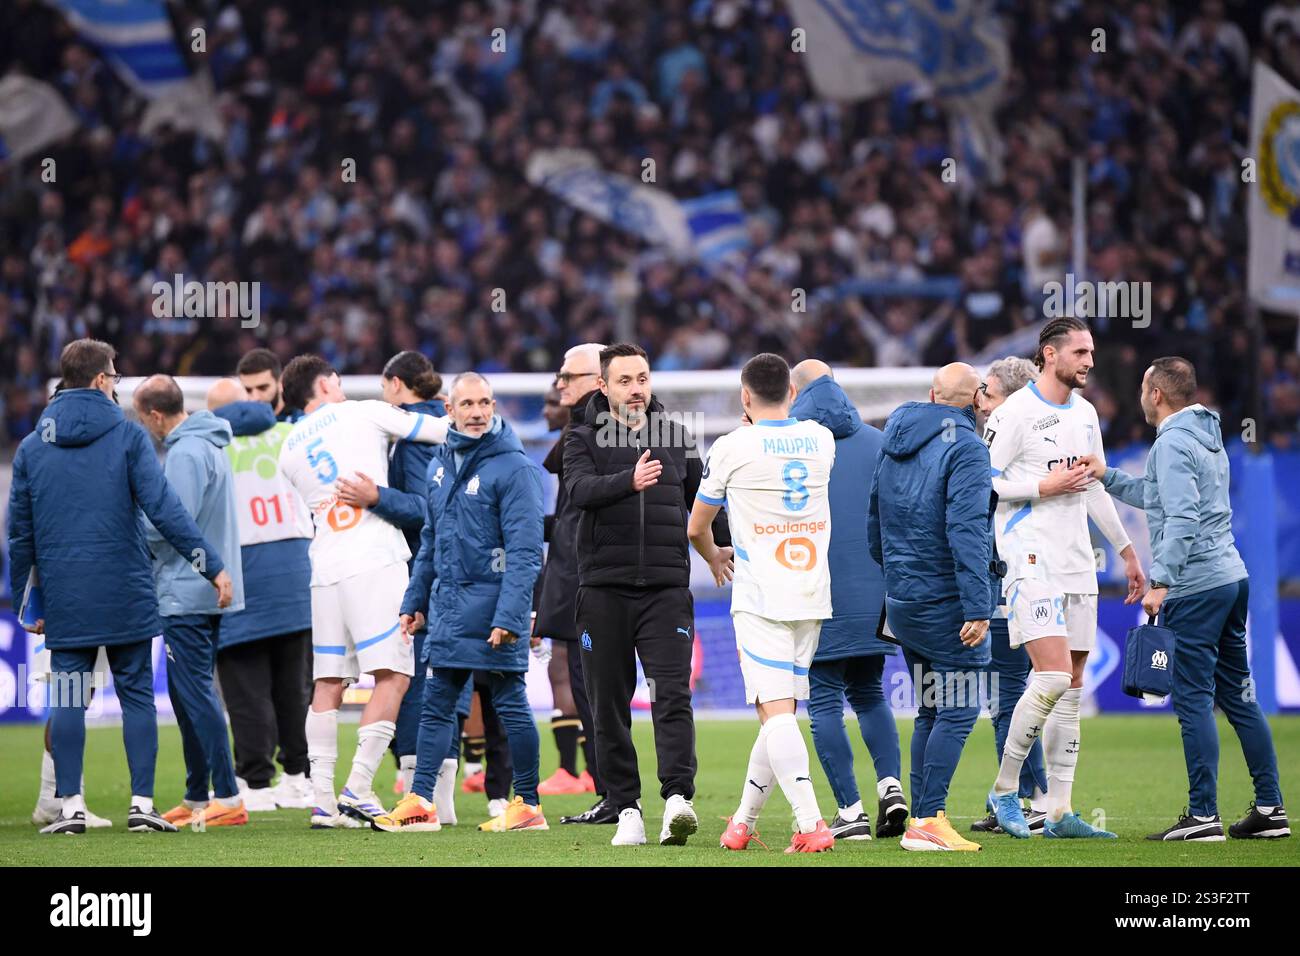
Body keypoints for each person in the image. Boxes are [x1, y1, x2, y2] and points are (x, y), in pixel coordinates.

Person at [9, 341, 231, 835]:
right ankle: (141, 806)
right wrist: (209, 564)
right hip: (125, 590)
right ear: (101, 380)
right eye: (114, 374)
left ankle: (69, 809)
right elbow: (166, 510)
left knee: (67, 698)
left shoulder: (30, 447)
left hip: (67, 596)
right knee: (134, 695)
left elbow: (20, 533)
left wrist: (29, 599)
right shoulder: (128, 438)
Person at [1082, 357, 1288, 841]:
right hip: (1230, 578)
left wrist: (1162, 581)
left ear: (1156, 394)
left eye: (1141, 388)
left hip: (1195, 586)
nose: (1139, 397)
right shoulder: (1204, 436)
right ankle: (1270, 808)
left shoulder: (1171, 442)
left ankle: (1202, 816)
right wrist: (1106, 474)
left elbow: (1182, 518)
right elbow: (1159, 496)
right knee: (1239, 697)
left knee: (1193, 700)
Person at [983, 318, 1144, 840]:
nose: (1089, 361)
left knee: (1071, 689)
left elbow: (1092, 484)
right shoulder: (1013, 413)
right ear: (1049, 355)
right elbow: (983, 481)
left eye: (1091, 351)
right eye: (1079, 352)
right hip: (1030, 559)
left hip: (1079, 560)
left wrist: (1126, 550)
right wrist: (1042, 486)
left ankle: (1058, 811)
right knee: (1050, 677)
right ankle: (1005, 788)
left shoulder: (1087, 413)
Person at [276, 355, 449, 828]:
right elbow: (439, 431)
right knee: (394, 673)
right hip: (374, 558)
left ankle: (322, 802)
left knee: (328, 682)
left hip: (324, 566)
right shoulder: (361, 412)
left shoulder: (288, 447)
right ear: (328, 382)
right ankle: (359, 787)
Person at [565, 343, 726, 846]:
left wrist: (714, 549)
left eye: (642, 378)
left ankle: (678, 798)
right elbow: (578, 492)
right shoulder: (581, 439)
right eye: (625, 380)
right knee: (607, 705)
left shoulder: (677, 438)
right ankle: (627, 808)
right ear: (604, 387)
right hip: (603, 591)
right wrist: (627, 481)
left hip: (665, 591)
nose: (636, 389)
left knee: (672, 696)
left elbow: (704, 503)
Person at [374, 373, 546, 833]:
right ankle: (421, 803)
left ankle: (527, 804)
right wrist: (415, 600)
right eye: (467, 404)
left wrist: (510, 614)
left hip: (493, 612)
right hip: (449, 608)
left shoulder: (515, 468)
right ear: (448, 409)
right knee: (435, 704)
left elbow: (527, 551)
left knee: (510, 703)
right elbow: (430, 541)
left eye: (485, 403)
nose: (477, 412)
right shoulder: (439, 465)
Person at [693, 354, 837, 854]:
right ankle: (742, 822)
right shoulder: (822, 439)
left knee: (775, 715)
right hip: (813, 593)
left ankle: (811, 823)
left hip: (761, 597)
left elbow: (697, 525)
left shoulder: (732, 445)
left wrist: (714, 557)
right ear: (793, 393)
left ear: (744, 397)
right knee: (779, 713)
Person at [331, 350, 465, 824]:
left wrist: (375, 497)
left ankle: (419, 795)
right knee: (447, 680)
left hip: (421, 572)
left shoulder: (411, 438)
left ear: (394, 385)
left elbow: (422, 509)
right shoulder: (456, 428)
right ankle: (441, 799)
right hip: (461, 571)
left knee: (409, 678)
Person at [869, 362, 993, 852]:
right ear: (977, 400)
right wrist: (978, 605)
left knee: (930, 708)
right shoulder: (967, 448)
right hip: (946, 602)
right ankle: (928, 819)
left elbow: (873, 516)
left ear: (932, 395)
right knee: (960, 709)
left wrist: (897, 575)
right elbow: (967, 532)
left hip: (902, 600)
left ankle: (924, 817)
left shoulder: (893, 439)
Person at [788, 359, 907, 841]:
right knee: (870, 693)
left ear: (794, 391)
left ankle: (851, 810)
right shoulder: (880, 443)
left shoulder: (789, 446)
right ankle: (892, 787)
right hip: (876, 593)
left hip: (815, 592)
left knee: (823, 703)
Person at [134, 375, 248, 828]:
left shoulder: (183, 453)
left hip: (186, 591)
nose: (146, 429)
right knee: (188, 696)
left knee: (197, 695)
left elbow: (168, 523)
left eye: (144, 420)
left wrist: (131, 530)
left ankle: (228, 795)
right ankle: (197, 794)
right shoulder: (211, 444)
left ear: (156, 415)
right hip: (205, 588)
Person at [207, 377, 315, 813]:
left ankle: (255, 782)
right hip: (296, 575)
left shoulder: (210, 446)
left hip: (240, 578)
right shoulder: (292, 434)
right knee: (295, 689)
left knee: (245, 690)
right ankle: (298, 777)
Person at [969, 357, 1051, 835]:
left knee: (1009, 697)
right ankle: (1035, 797)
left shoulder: (1001, 453)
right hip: (1025, 580)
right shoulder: (1026, 446)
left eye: (990, 393)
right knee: (1024, 694)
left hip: (1012, 584)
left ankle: (1027, 799)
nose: (981, 400)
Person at [538, 343, 610, 824]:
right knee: (591, 690)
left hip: (592, 581)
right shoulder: (584, 430)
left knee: (593, 688)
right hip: (583, 577)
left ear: (598, 379)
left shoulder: (591, 432)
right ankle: (616, 793)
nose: (559, 385)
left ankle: (621, 795)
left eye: (567, 376)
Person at [535, 380, 594, 797]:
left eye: (556, 399)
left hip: (574, 573)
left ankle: (584, 770)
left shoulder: (581, 441)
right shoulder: (570, 447)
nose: (548, 408)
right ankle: (580, 770)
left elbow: (569, 523)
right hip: (563, 567)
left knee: (570, 670)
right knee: (567, 669)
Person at [238, 348, 294, 421]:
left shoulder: (302, 419)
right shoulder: (235, 424)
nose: (255, 398)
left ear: (280, 383)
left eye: (262, 388)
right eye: (248, 390)